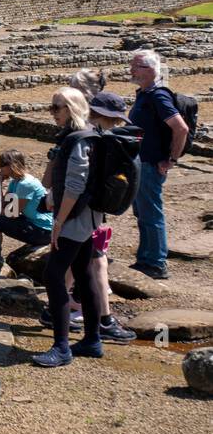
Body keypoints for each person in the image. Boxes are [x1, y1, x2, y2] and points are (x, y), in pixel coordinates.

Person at [31, 88, 107, 367]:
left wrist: (59, 221)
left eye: (57, 107)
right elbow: (49, 181)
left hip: (74, 218)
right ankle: (92, 339)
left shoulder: (78, 141)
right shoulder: (82, 136)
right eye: (51, 107)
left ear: (72, 108)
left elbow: (75, 186)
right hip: (87, 218)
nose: (52, 113)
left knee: (53, 275)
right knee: (84, 274)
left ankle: (61, 347)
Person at [81, 92, 139, 343]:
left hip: (86, 212)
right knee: (97, 261)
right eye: (114, 120)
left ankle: (58, 310)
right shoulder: (91, 140)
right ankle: (104, 320)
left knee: (83, 260)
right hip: (85, 211)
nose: (117, 125)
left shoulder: (92, 137)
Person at [128, 49, 189, 280]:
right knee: (143, 213)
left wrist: (171, 160)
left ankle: (155, 262)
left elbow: (181, 128)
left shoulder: (158, 96)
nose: (131, 70)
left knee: (151, 214)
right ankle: (146, 258)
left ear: (151, 69)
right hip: (141, 163)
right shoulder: (145, 94)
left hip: (150, 164)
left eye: (136, 66)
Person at [0, 150, 53, 248]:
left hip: (44, 231)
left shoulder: (25, 184)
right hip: (34, 224)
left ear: (10, 166)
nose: (0, 168)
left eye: (2, 164)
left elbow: (13, 214)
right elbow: (3, 205)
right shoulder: (15, 182)